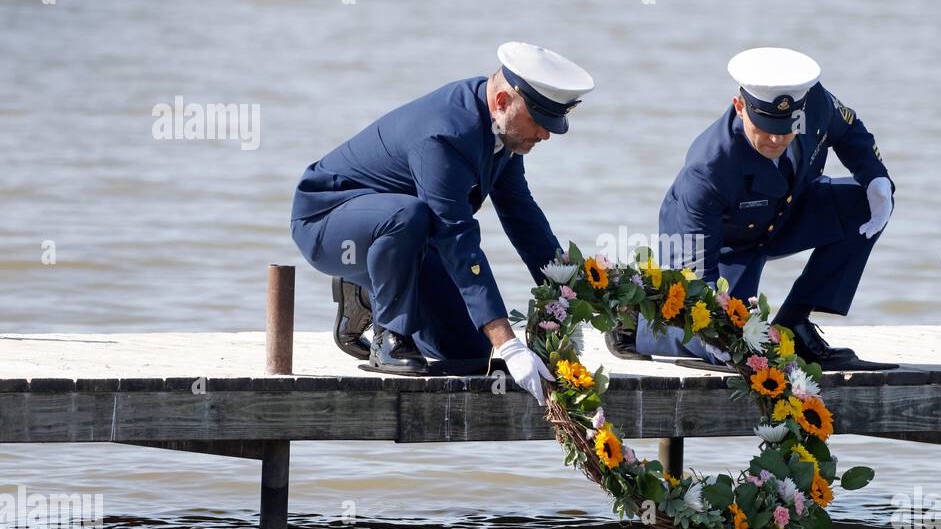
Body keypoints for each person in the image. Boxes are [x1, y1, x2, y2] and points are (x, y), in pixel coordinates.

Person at [289, 42, 594, 400]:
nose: (545, 134)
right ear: (502, 103)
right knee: (408, 215)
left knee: (470, 354)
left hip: (404, 241)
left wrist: (576, 292)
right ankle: (389, 336)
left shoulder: (504, 131)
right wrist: (509, 343)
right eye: (540, 122)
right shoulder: (444, 134)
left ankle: (370, 295)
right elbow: (457, 238)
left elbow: (523, 217)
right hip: (327, 223)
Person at [609, 47, 897, 371]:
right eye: (764, 125)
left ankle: (795, 324)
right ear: (740, 106)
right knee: (726, 333)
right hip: (723, 246)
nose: (775, 139)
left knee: (865, 204)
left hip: (784, 215)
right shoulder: (706, 171)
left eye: (786, 127)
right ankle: (635, 321)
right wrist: (713, 337)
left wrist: (875, 177)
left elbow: (848, 129)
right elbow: (698, 276)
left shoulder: (815, 102)